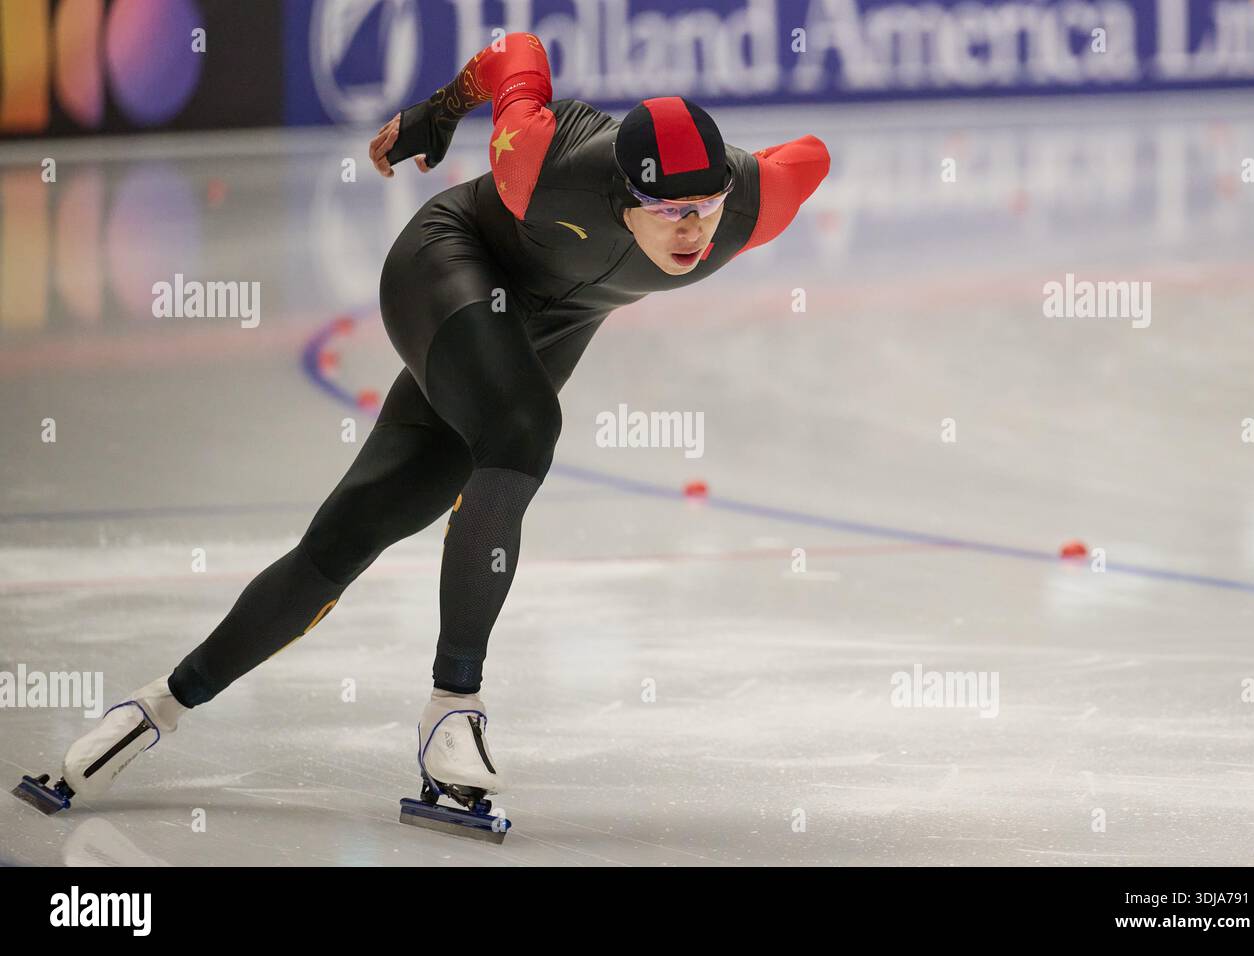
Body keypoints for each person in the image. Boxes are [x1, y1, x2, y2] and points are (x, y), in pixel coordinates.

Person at [14, 33, 831, 834]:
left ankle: (157, 704)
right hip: (450, 264)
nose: (693, 231)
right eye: (668, 210)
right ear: (622, 197)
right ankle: (454, 707)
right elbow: (518, 50)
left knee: (355, 530)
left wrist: (729, 194)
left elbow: (813, 153)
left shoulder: (758, 200)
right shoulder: (541, 164)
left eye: (705, 207)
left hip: (538, 336)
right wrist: (440, 112)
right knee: (523, 427)